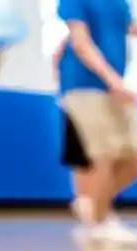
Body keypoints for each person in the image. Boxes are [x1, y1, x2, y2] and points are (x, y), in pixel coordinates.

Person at [57, 0, 137, 246]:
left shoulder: (120, 2)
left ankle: (91, 206)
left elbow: (130, 26)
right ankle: (100, 223)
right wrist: (112, 80)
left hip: (115, 86)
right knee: (103, 154)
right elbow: (80, 42)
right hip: (84, 85)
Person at [52, 36, 94, 223]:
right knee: (81, 155)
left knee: (93, 155)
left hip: (88, 99)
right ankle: (84, 200)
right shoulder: (73, 43)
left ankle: (91, 200)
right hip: (74, 101)